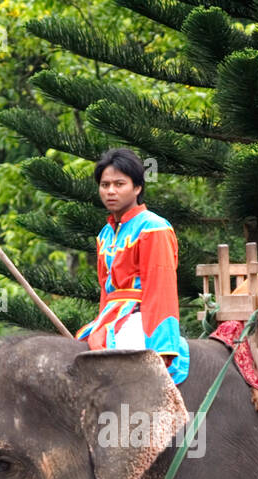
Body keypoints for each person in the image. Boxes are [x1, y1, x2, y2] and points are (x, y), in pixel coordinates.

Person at [77, 148, 190, 387]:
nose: (110, 191)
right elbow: (106, 292)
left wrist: (162, 349)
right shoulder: (105, 234)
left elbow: (161, 290)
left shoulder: (153, 227)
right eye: (105, 185)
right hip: (112, 316)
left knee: (129, 375)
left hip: (141, 316)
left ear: (137, 188)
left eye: (119, 184)